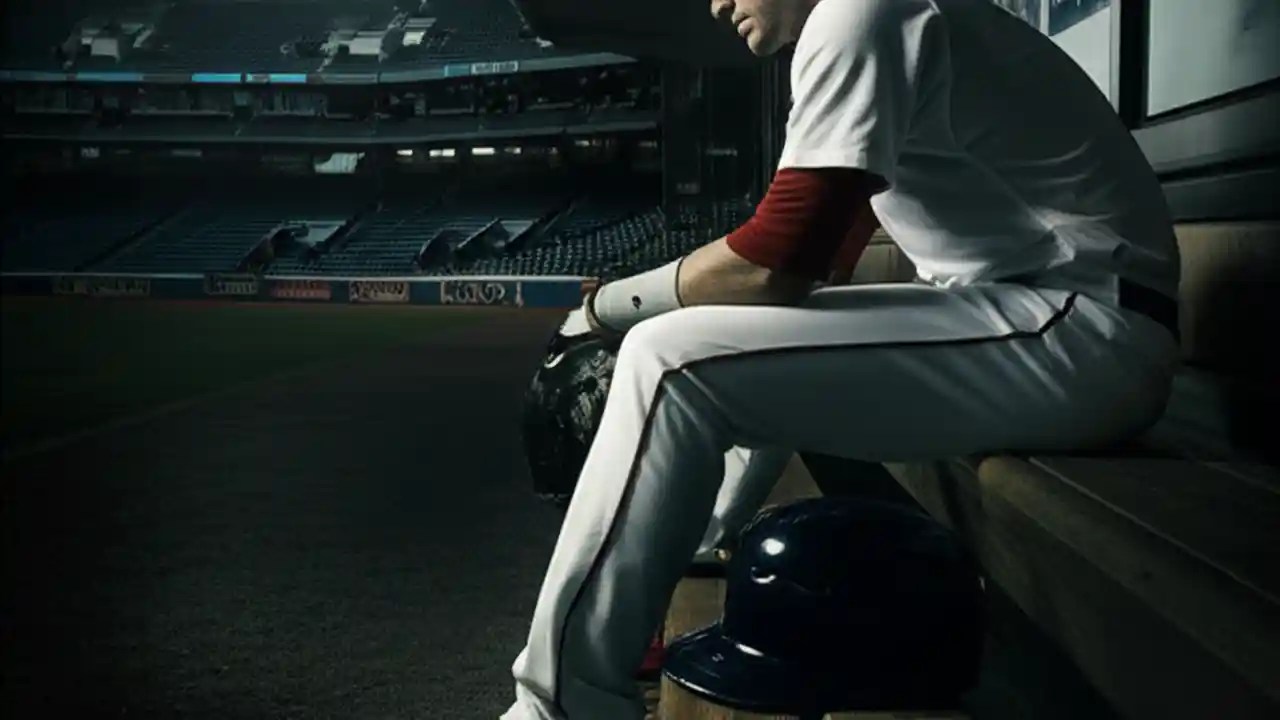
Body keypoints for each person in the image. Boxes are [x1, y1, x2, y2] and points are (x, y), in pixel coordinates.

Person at [501, 1, 1181, 718]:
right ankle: (691, 551)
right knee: (689, 351)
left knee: (666, 356)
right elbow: (793, 289)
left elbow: (779, 261)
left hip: (1082, 328)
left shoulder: (860, 12)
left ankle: (558, 708)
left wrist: (602, 306)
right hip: (1044, 316)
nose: (717, 3)